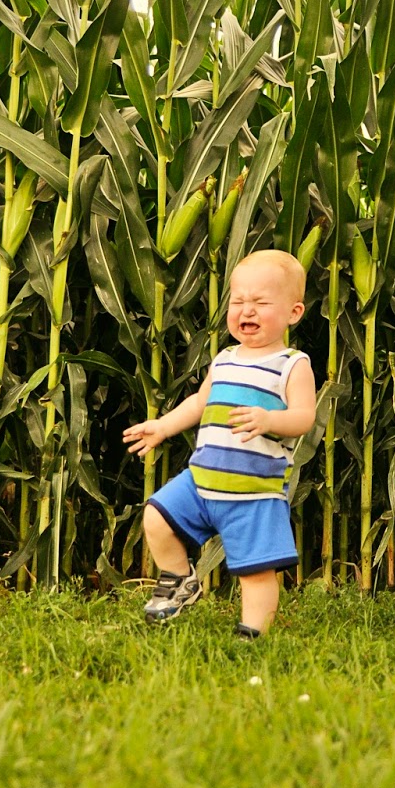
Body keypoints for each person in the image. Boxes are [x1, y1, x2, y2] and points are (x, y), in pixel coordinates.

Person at [123, 249, 316, 638]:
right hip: (201, 480)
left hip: (253, 492)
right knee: (156, 516)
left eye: (261, 302)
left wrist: (268, 419)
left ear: (294, 313)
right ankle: (180, 578)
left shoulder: (293, 364)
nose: (247, 310)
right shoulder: (225, 358)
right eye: (239, 301)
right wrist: (162, 427)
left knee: (255, 573)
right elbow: (199, 402)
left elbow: (304, 418)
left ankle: (251, 633)